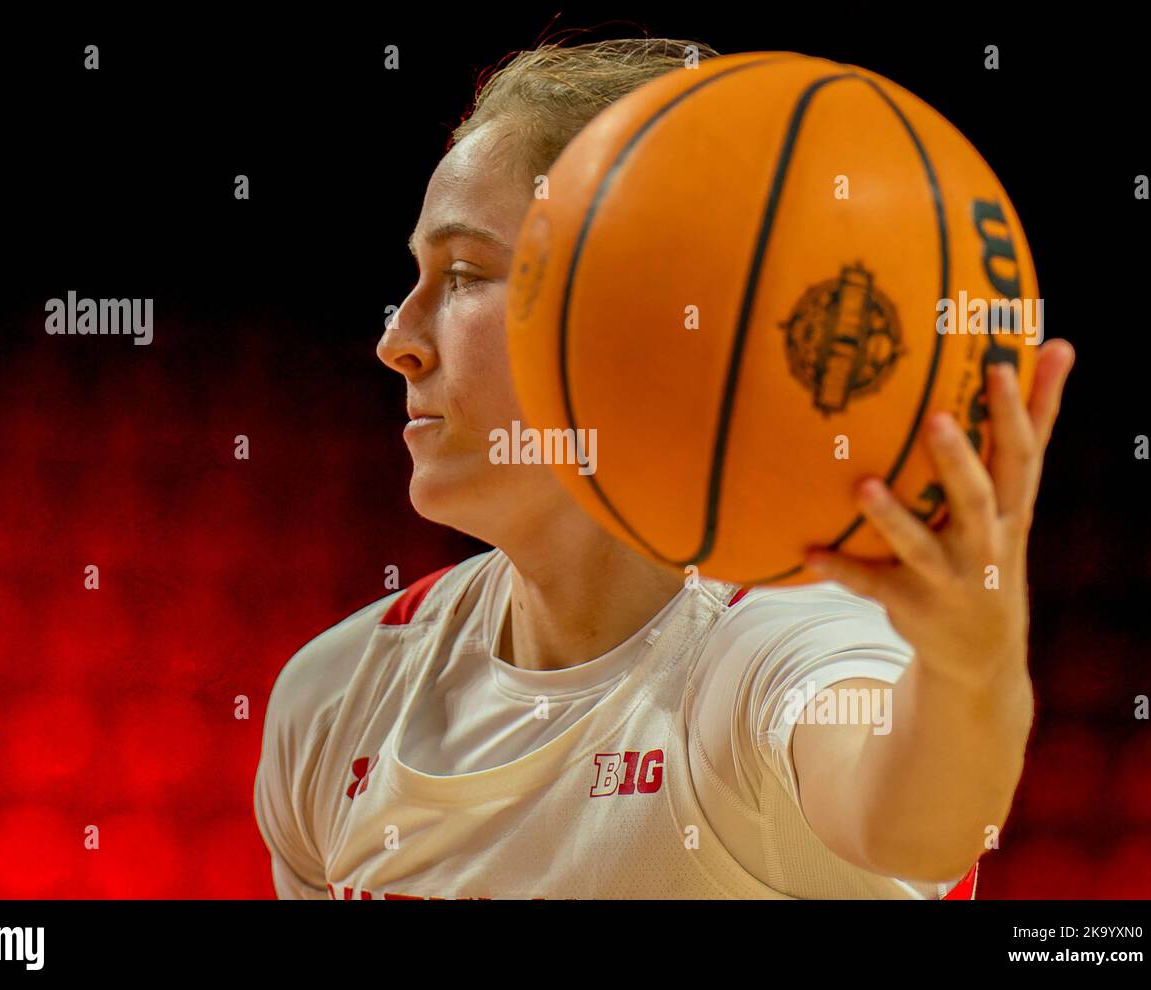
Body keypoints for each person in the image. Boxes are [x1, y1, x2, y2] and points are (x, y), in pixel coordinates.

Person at [253, 37, 1075, 899]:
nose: (396, 342)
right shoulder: (336, 694)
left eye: (462, 274)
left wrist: (968, 667)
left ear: (630, 312)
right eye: (415, 275)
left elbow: (914, 826)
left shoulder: (780, 647)